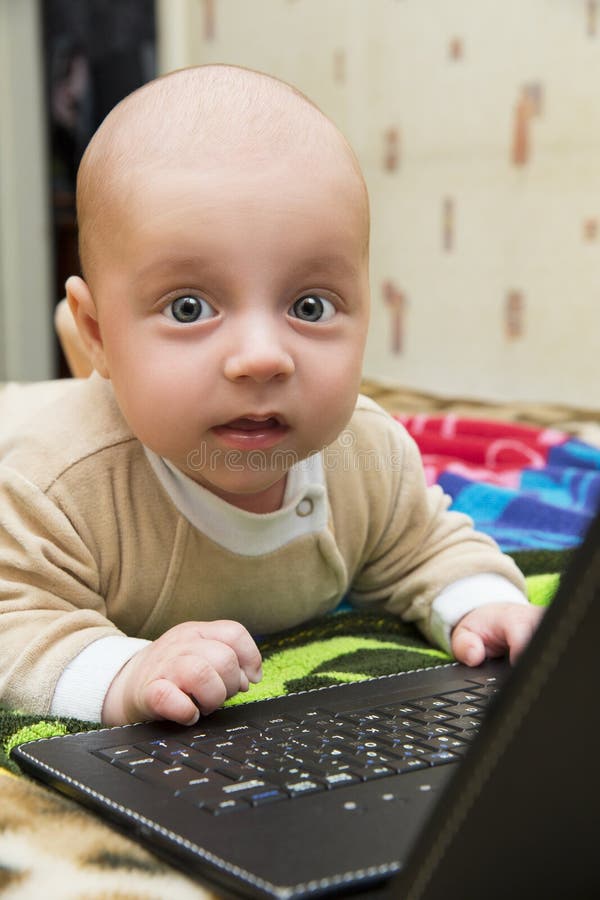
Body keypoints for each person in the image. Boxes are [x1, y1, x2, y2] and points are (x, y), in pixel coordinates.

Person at [0, 65, 542, 727]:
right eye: (190, 306)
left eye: (309, 306)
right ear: (99, 329)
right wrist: (123, 673)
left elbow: (426, 547)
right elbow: (13, 622)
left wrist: (483, 605)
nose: (262, 357)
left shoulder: (366, 457)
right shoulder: (54, 487)